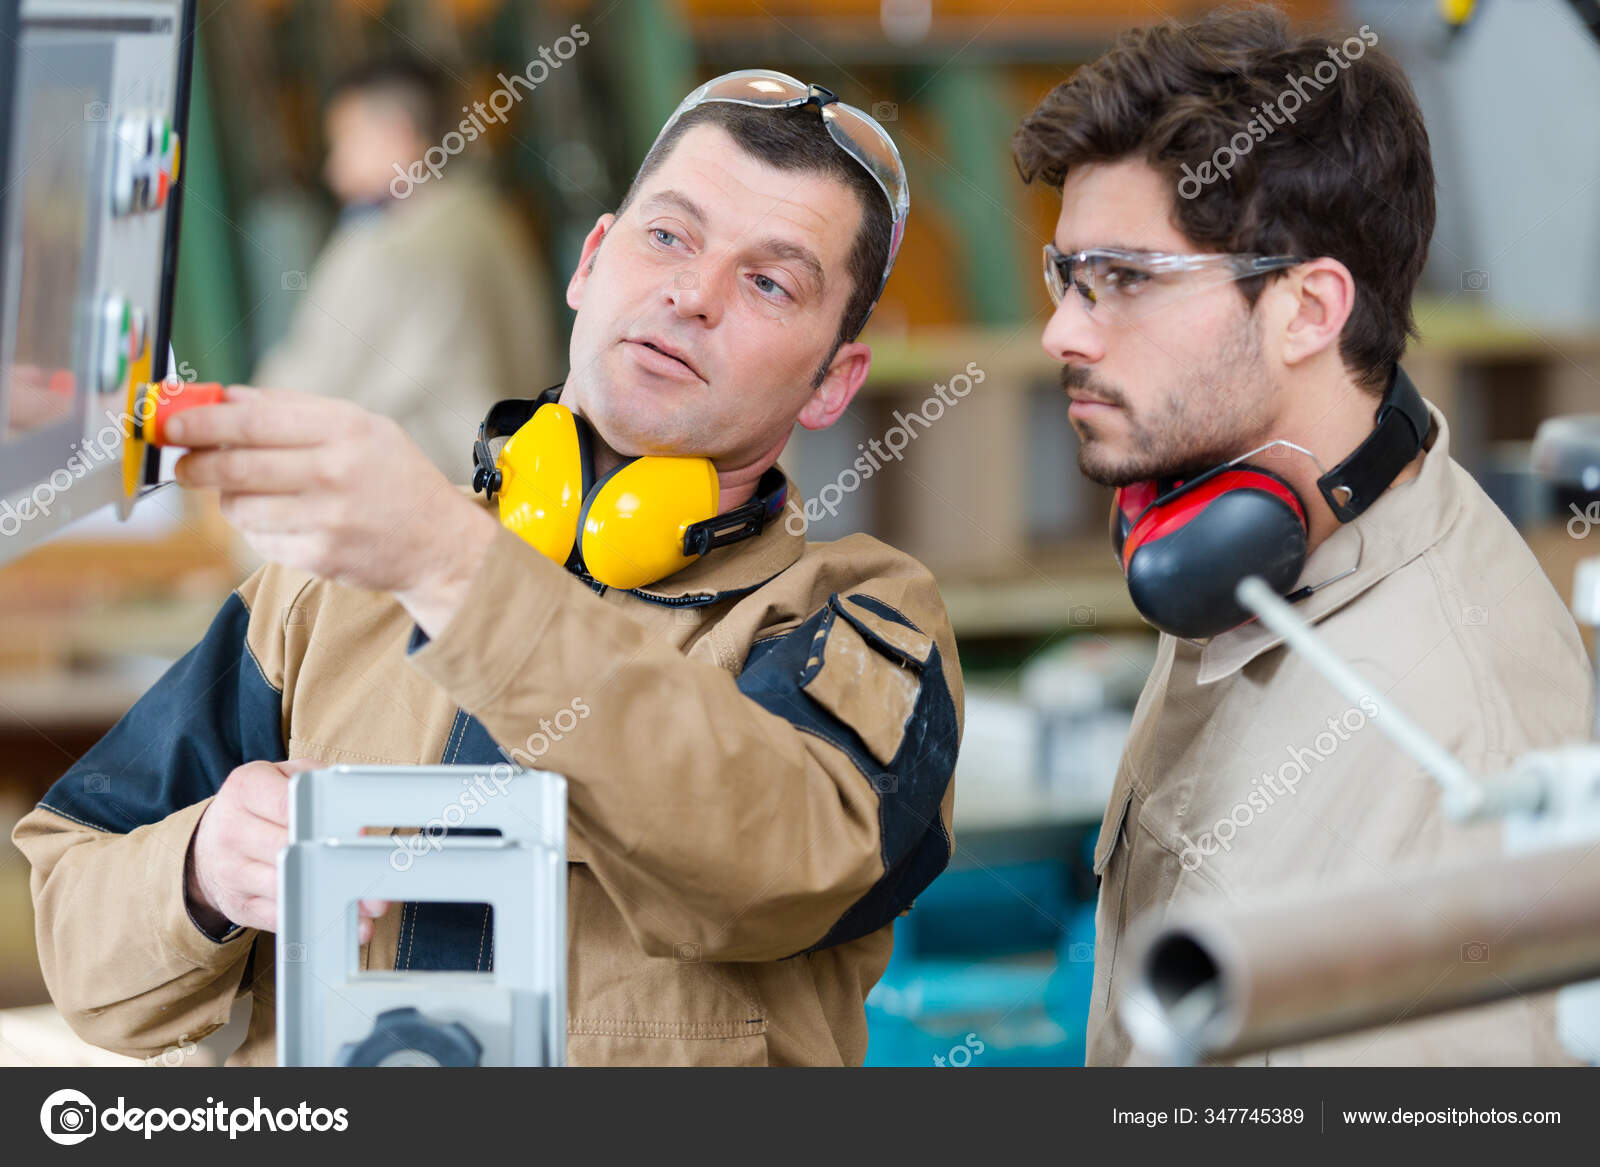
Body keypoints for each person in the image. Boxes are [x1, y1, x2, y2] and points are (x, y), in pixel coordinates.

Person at [14, 71, 961, 1067]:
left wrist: (452, 566)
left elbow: (777, 868)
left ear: (832, 383)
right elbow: (79, 943)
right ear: (591, 263)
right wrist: (202, 870)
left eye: (769, 283)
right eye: (668, 236)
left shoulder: (859, 619)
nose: (692, 295)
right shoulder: (324, 592)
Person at [1012, 8, 1594, 1064]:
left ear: (1308, 309)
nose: (1063, 330)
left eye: (1125, 279)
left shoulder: (1455, 741)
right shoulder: (1243, 540)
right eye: (1068, 275)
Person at [253, 57, 560, 482]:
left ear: (398, 137)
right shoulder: (493, 219)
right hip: (521, 483)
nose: (332, 171)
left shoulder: (383, 249)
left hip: (430, 495)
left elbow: (298, 394)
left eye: (345, 143)